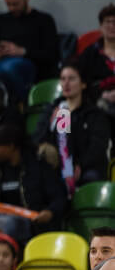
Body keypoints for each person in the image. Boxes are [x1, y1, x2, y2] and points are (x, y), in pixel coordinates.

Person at [0, 122, 66, 245]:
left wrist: (50, 212)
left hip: (30, 220)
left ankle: (3, 261)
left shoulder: (38, 167)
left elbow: (59, 197)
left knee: (0, 224)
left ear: (11, 146)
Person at [31, 60, 111, 190]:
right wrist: (51, 126)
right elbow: (38, 139)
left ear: (83, 84)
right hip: (56, 166)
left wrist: (79, 165)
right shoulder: (56, 110)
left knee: (90, 178)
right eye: (63, 79)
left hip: (85, 167)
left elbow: (98, 147)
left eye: (71, 79)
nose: (66, 83)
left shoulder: (93, 113)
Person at [76, 4, 115, 118]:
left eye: (114, 22)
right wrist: (102, 94)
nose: (112, 26)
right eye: (107, 22)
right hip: (97, 102)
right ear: (101, 27)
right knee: (64, 110)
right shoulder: (90, 53)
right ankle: (63, 136)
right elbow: (84, 82)